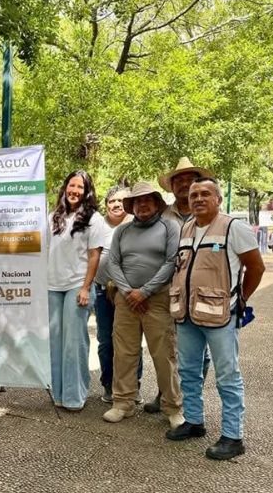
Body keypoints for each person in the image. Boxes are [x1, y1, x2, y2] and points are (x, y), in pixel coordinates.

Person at [167, 177, 265, 460]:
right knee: (188, 370)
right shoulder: (186, 228)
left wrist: (239, 300)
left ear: (218, 199)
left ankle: (233, 436)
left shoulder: (234, 227)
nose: (197, 198)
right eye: (194, 194)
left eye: (205, 194)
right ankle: (194, 421)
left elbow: (256, 268)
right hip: (186, 314)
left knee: (227, 375)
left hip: (221, 315)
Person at [103, 182, 183, 429]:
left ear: (157, 203)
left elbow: (172, 261)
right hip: (125, 301)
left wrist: (145, 291)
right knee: (124, 353)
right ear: (132, 206)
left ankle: (173, 407)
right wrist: (128, 292)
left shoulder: (169, 227)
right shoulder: (122, 232)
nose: (143, 204)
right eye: (138, 201)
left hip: (157, 299)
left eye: (148, 200)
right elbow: (113, 263)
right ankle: (123, 403)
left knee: (164, 354)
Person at [144, 157, 214, 414]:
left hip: (203, 291)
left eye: (189, 180)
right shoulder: (163, 215)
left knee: (200, 350)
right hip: (167, 290)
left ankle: (189, 402)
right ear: (172, 187)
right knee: (167, 346)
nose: (184, 185)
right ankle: (166, 395)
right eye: (179, 181)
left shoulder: (210, 214)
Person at [47, 170, 105, 411]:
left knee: (74, 343)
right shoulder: (53, 217)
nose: (75, 191)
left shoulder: (94, 218)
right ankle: (58, 394)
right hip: (52, 285)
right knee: (55, 342)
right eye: (71, 185)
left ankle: (75, 396)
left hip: (77, 286)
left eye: (80, 187)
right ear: (65, 187)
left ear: (87, 191)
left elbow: (94, 256)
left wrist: (85, 287)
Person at [93, 187, 143, 404]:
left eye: (122, 200)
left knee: (131, 342)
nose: (116, 204)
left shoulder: (137, 224)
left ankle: (133, 386)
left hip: (127, 292)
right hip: (102, 290)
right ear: (106, 204)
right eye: (112, 201)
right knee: (106, 341)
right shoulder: (97, 224)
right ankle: (108, 385)